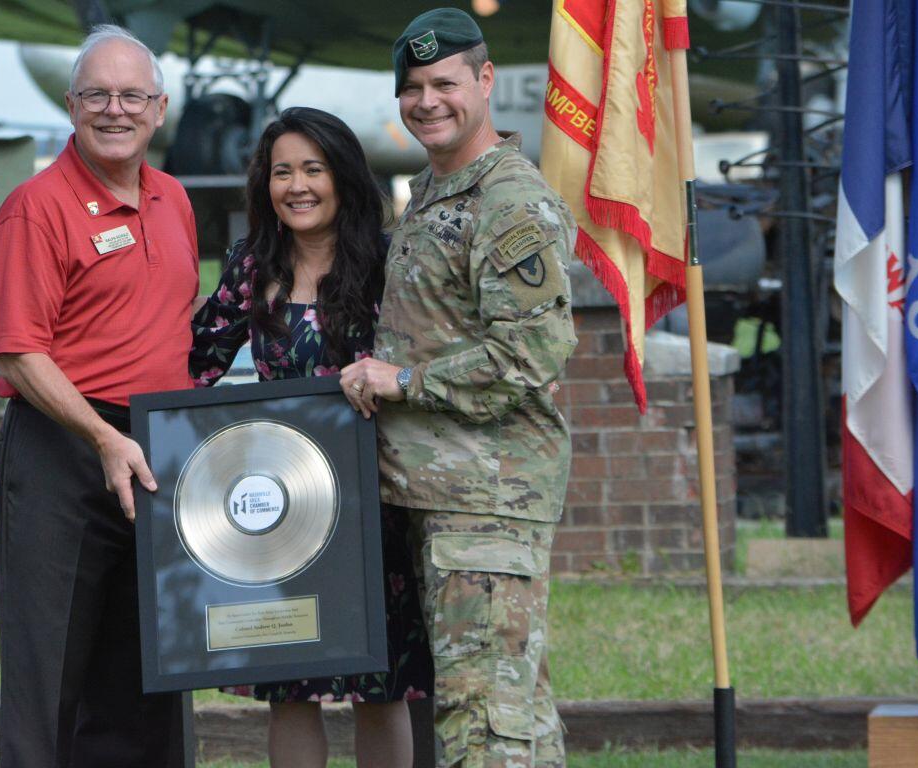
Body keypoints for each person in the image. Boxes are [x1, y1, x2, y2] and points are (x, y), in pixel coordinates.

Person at [338, 9, 579, 768]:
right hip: (446, 495)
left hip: (487, 499)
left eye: (445, 83)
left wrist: (402, 380)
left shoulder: (507, 201)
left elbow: (532, 352)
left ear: (485, 81)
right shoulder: (438, 192)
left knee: (484, 721)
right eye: (412, 88)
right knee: (511, 709)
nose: (427, 101)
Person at [190, 106, 433, 768]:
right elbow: (195, 366)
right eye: (282, 172)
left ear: (343, 177)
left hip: (376, 505)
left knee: (381, 686)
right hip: (283, 508)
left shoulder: (390, 261)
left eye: (312, 169)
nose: (296, 186)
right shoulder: (251, 264)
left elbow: (425, 368)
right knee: (291, 687)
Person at [0, 25, 197, 767]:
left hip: (159, 449)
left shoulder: (173, 199)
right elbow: (16, 349)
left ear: (159, 109)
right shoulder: (35, 208)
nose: (115, 110)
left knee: (153, 665)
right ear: (72, 106)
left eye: (132, 96)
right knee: (51, 674)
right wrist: (103, 437)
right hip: (66, 446)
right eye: (97, 95)